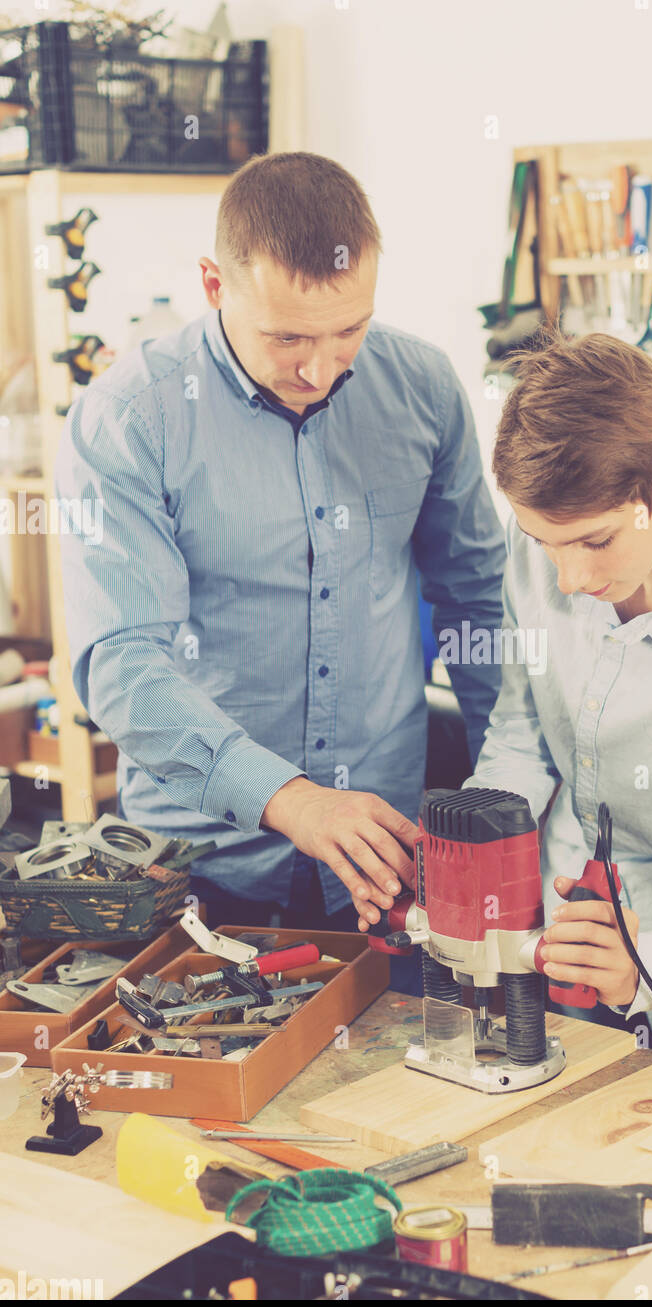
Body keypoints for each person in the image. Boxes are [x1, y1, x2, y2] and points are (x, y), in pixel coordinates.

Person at [55, 153, 506, 965]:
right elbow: (121, 661)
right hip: (199, 870)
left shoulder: (423, 389)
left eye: (348, 331)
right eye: (287, 336)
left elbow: (477, 598)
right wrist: (288, 799)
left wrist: (510, 787)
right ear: (213, 284)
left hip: (385, 864)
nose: (320, 368)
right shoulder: (128, 419)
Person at [367, 330, 652, 1066]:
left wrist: (651, 966)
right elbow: (522, 734)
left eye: (595, 542)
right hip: (554, 949)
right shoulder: (548, 545)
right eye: (544, 542)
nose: (567, 581)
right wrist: (457, 862)